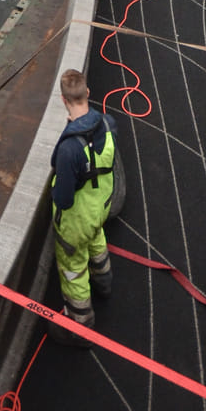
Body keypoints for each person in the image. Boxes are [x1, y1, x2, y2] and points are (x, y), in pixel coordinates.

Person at [49, 69, 116, 342]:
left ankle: (81, 324)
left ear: (63, 99)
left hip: (76, 222)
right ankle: (104, 283)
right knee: (97, 243)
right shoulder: (107, 124)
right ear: (87, 93)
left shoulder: (69, 150)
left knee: (73, 269)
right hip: (99, 208)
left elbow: (63, 198)